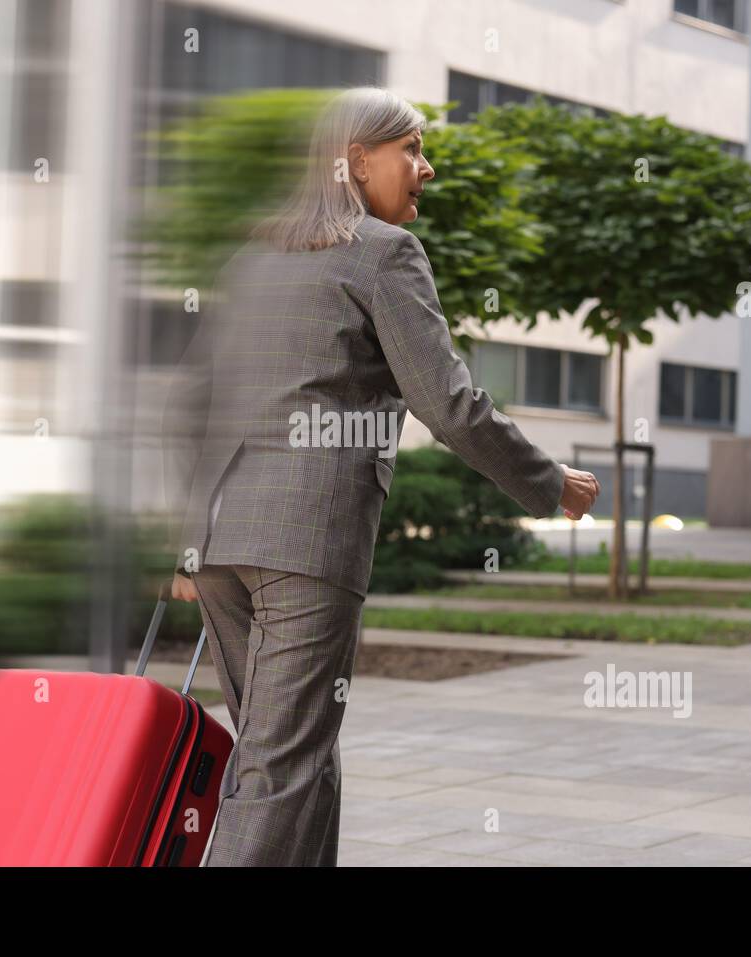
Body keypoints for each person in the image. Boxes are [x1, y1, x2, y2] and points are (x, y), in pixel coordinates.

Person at [161, 86, 600, 867]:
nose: (427, 169)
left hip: (223, 546)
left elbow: (187, 403)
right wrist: (549, 484)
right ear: (356, 159)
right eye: (413, 150)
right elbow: (450, 405)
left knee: (293, 751)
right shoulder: (383, 253)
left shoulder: (250, 259)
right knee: (281, 764)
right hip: (307, 542)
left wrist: (186, 539)